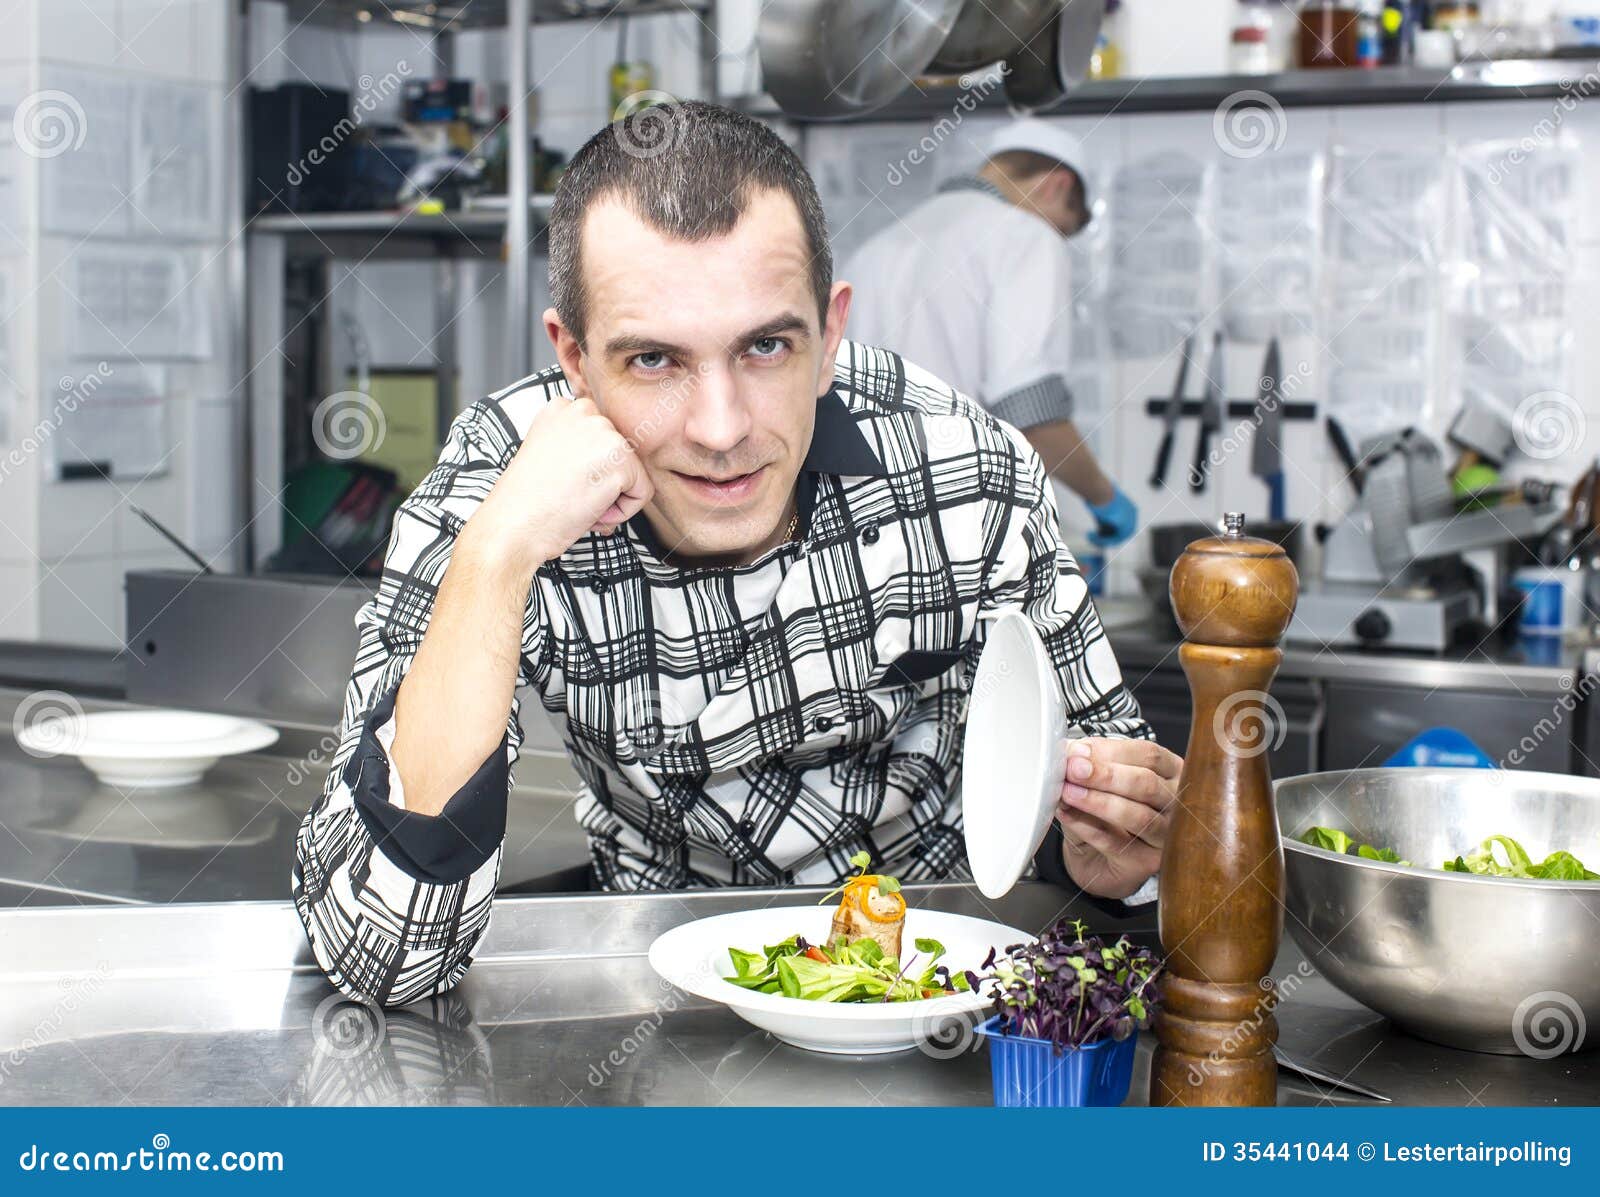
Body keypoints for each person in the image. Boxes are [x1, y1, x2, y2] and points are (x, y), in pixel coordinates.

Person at [293, 102, 1180, 1007]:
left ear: (830, 336)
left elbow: (1131, 854)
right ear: (573, 358)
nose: (721, 430)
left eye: (765, 346)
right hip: (646, 1004)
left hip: (940, 999)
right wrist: (497, 556)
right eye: (652, 361)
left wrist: (1121, 857)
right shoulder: (495, 483)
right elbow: (384, 960)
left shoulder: (970, 470)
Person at [844, 119, 1137, 551]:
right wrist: (1102, 496)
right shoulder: (1026, 236)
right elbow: (1027, 408)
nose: (1056, 237)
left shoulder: (875, 248)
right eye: (1062, 227)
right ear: (1057, 186)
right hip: (954, 532)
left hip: (861, 528)